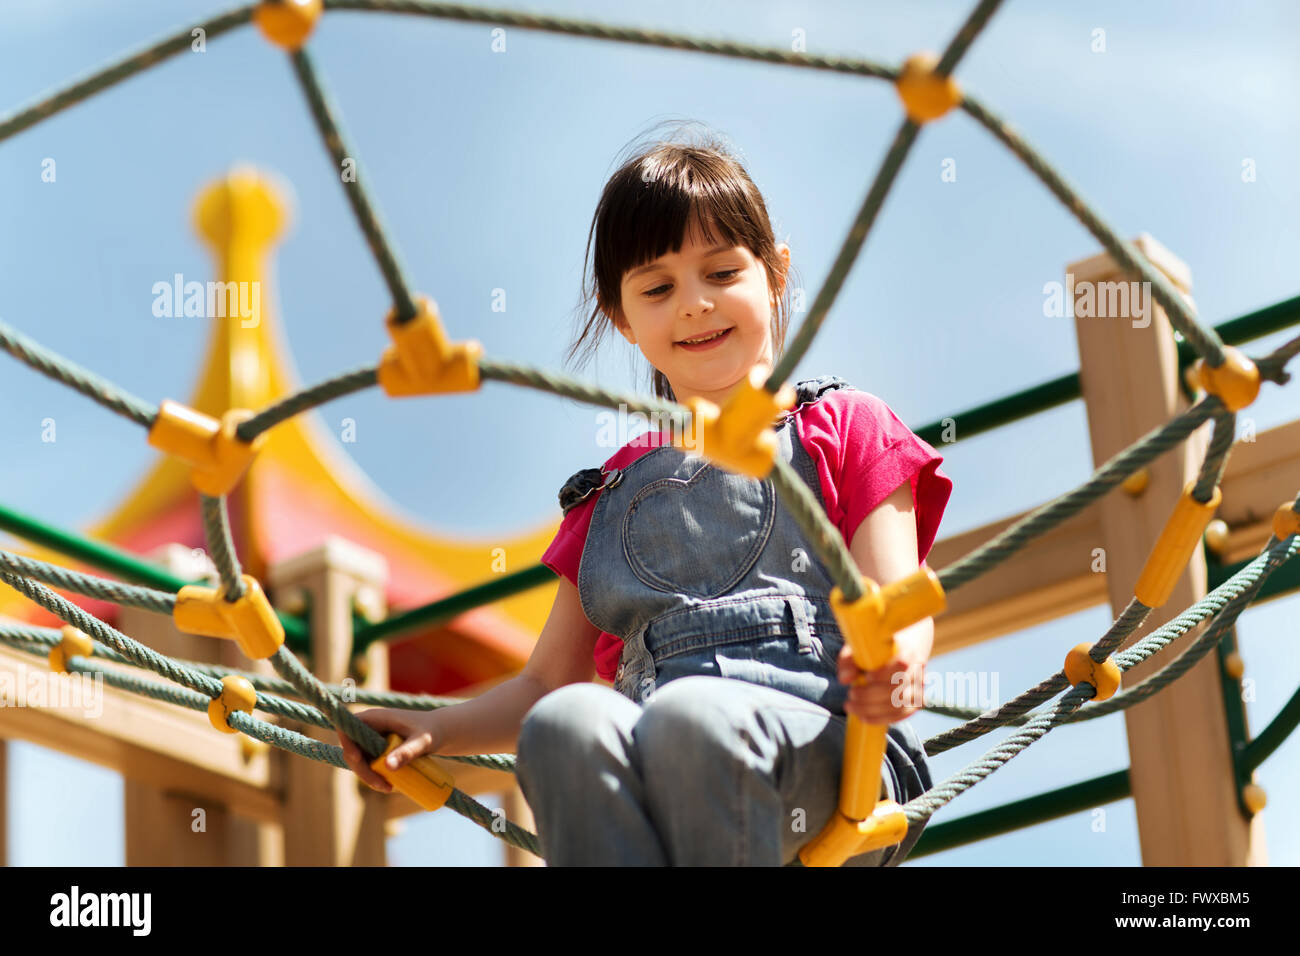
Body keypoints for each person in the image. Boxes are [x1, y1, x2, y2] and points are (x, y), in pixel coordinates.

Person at [338, 122, 953, 866]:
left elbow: (897, 600)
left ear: (776, 272)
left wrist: (900, 664)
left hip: (832, 752)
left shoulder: (845, 426)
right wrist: (437, 729)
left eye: (722, 273)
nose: (694, 304)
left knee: (691, 716)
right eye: (658, 288)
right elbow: (543, 681)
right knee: (565, 723)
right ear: (621, 318)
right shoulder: (613, 488)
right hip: (669, 776)